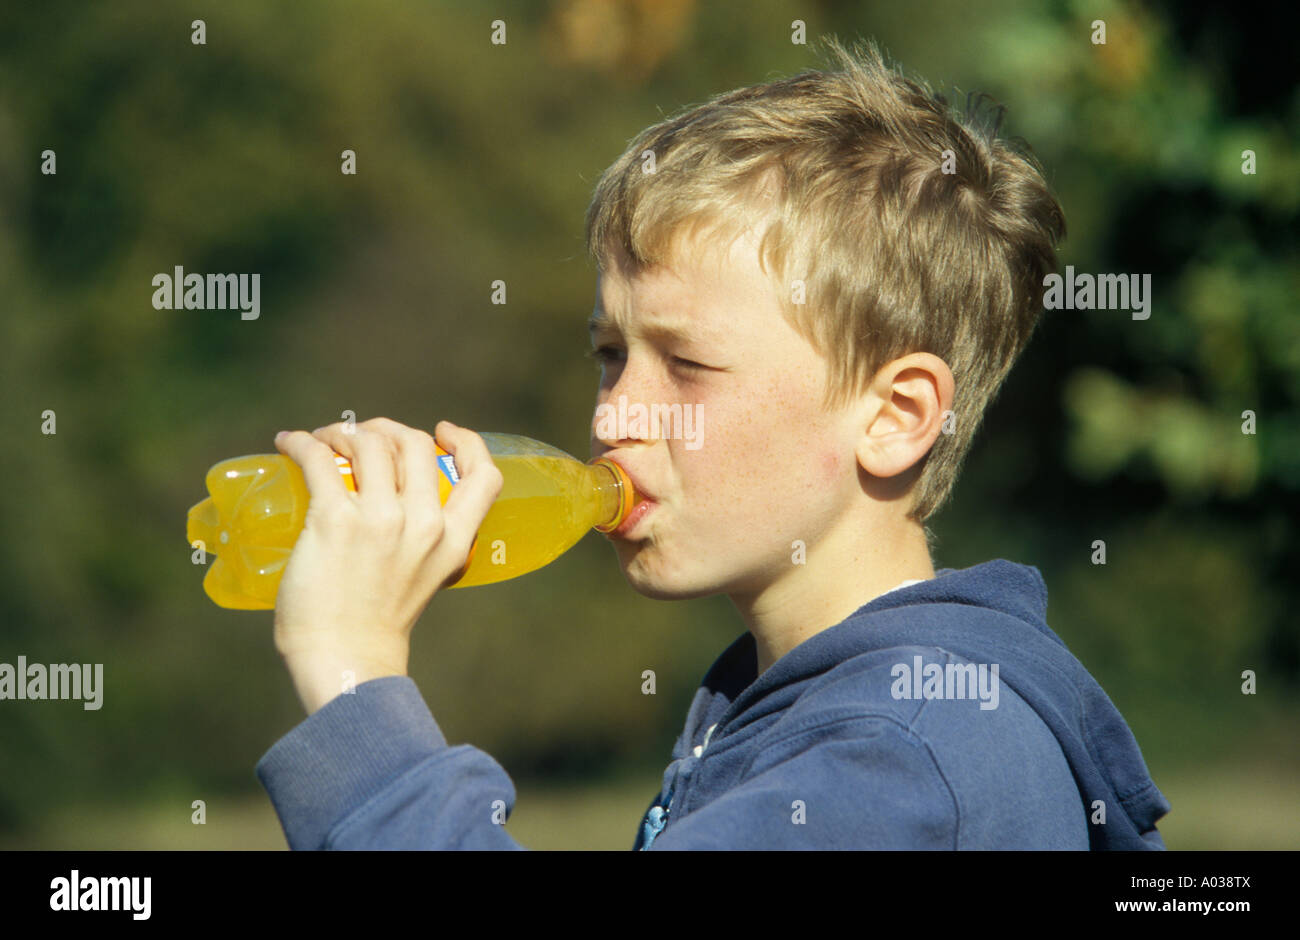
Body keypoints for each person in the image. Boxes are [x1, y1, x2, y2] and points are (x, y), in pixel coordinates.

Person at [256, 36, 1169, 850]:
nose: (613, 418)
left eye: (686, 365)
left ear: (895, 416)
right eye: (611, 355)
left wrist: (354, 679)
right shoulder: (791, 710)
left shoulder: (903, 756)